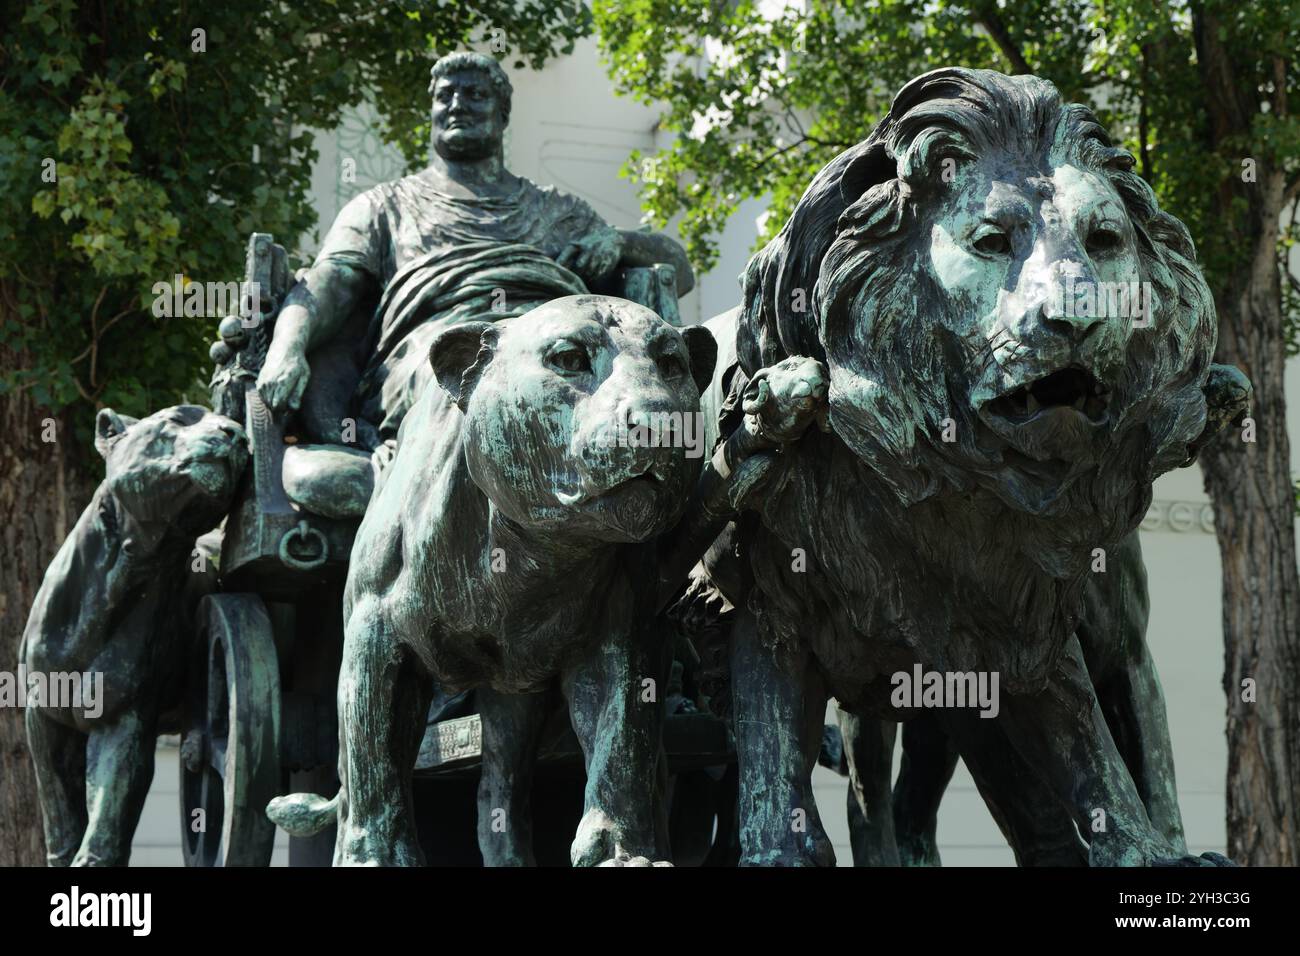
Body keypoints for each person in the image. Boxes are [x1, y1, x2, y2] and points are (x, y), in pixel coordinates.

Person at [257, 51, 694, 445]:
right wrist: (286, 348)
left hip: (561, 347)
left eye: (475, 94)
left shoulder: (558, 211)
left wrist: (619, 241)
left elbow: (679, 268)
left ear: (502, 115)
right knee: (485, 378)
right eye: (444, 96)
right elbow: (328, 284)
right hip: (440, 352)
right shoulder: (384, 206)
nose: (457, 104)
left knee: (613, 384)